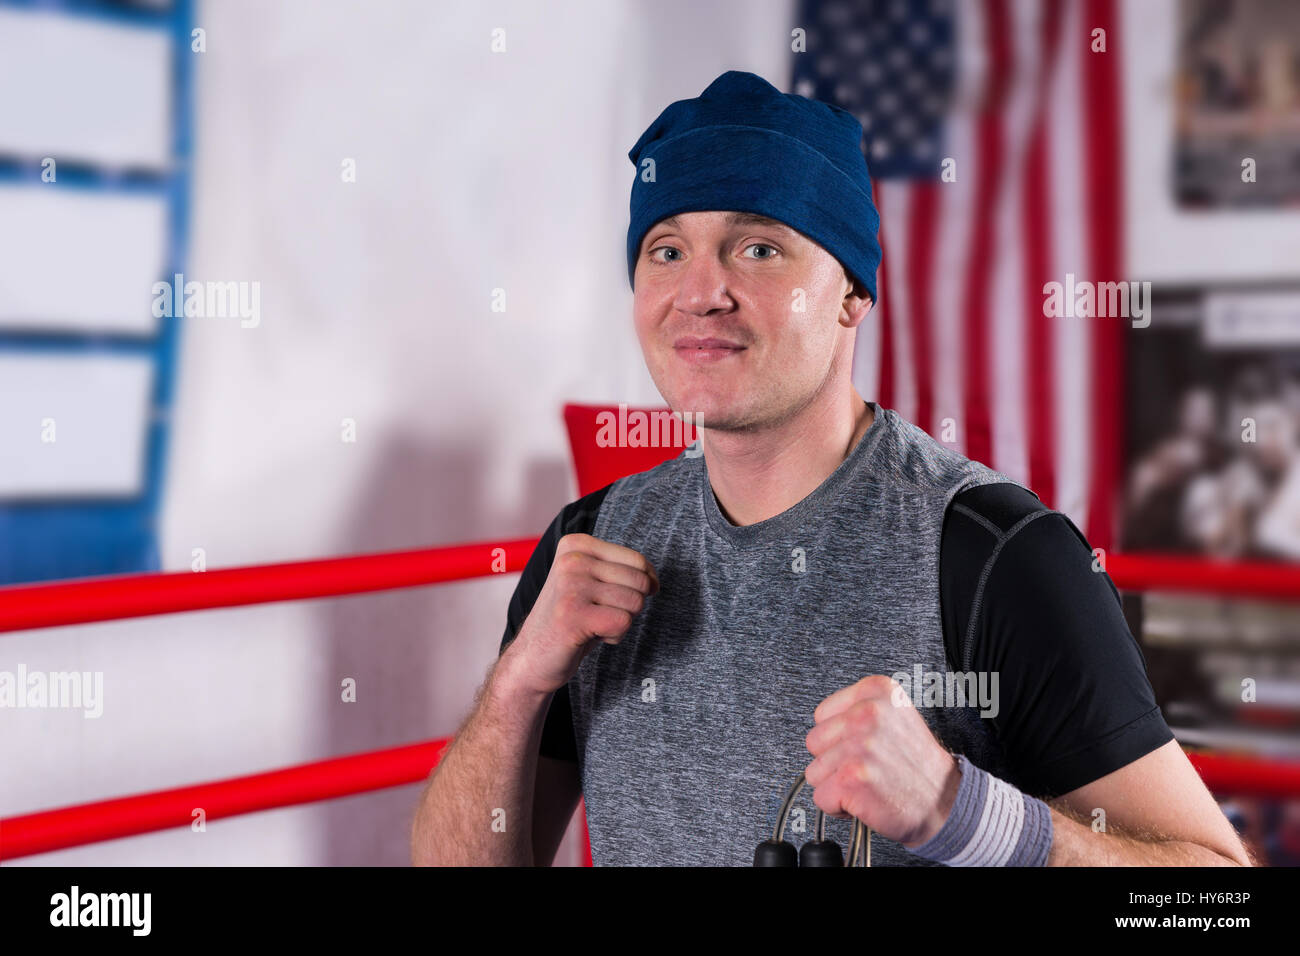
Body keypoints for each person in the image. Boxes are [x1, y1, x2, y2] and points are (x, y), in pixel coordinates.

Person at [410, 71, 1252, 867]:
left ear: (853, 292)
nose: (701, 292)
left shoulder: (992, 554)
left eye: (759, 250)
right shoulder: (591, 540)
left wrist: (966, 813)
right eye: (666, 250)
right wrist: (520, 680)